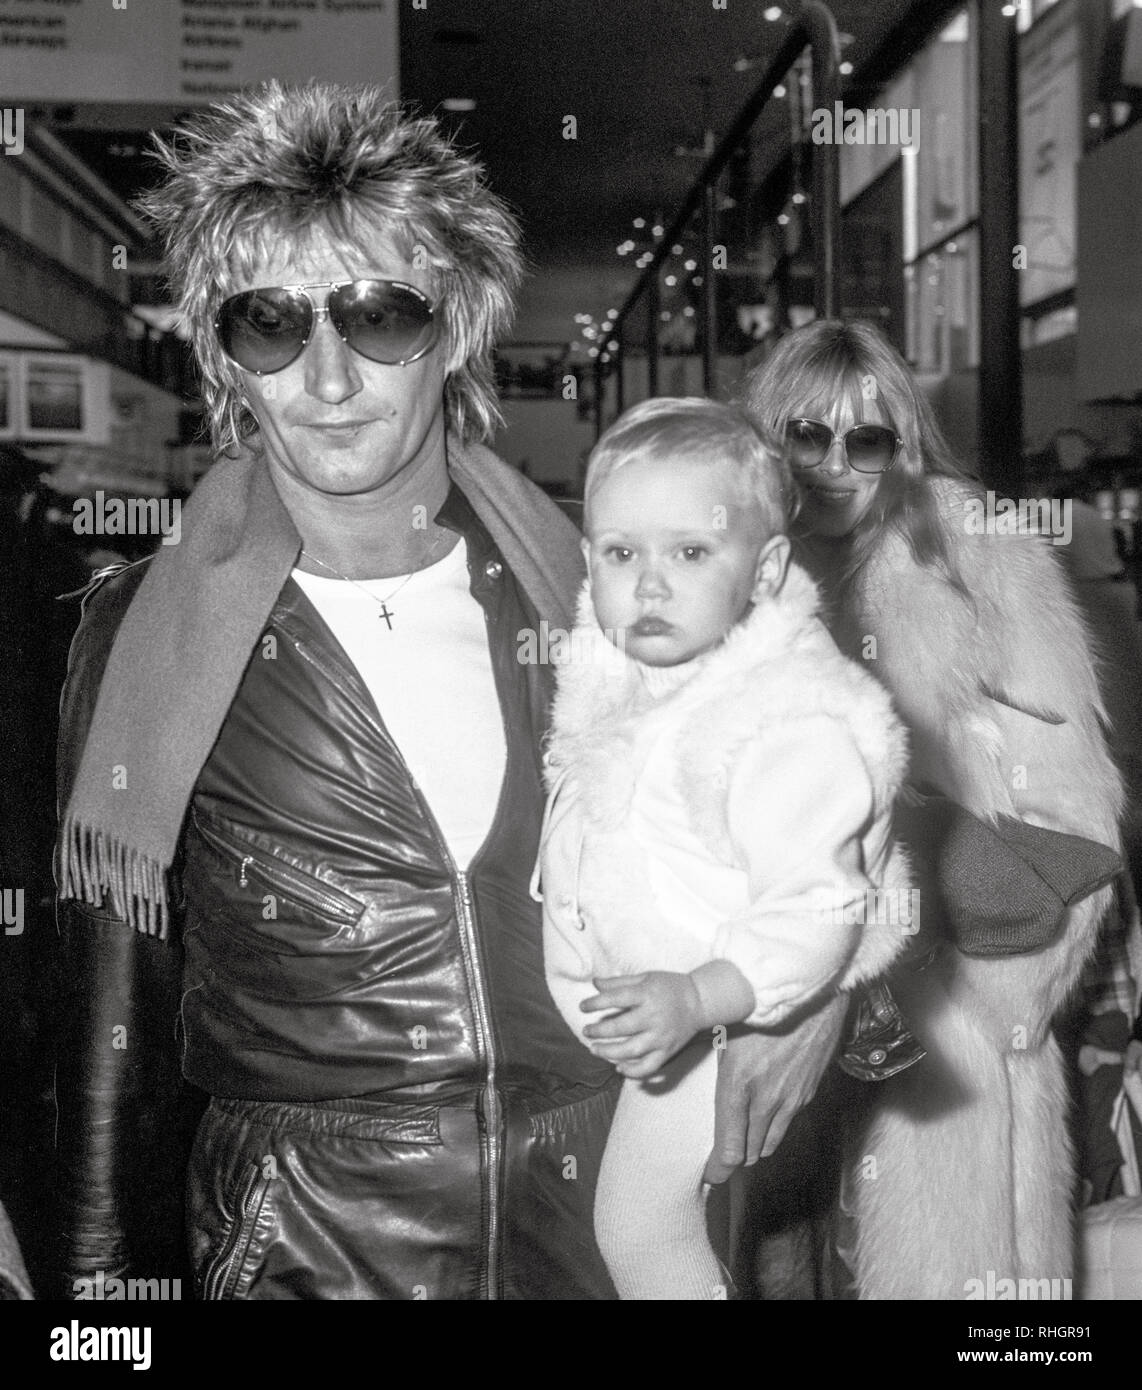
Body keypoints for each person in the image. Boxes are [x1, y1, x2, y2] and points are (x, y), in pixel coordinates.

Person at [51, 81, 847, 1301]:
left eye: (378, 315)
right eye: (270, 322)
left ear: (458, 327)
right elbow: (110, 1032)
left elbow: (818, 795)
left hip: (597, 1235)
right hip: (307, 1257)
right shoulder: (142, 637)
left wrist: (819, 1005)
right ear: (228, 357)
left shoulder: (594, 595)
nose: (326, 375)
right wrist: (98, 1314)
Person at [743, 320, 1126, 1299]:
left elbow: (1076, 839)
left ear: (902, 447)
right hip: (760, 1055)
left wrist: (920, 940)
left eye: (862, 439)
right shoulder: (723, 574)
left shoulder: (981, 568)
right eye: (805, 434)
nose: (833, 464)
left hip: (936, 1067)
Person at [536, 398, 913, 1299]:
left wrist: (703, 996)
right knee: (644, 1233)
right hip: (652, 1020)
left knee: (640, 1233)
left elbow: (820, 908)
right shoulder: (637, 672)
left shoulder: (780, 720)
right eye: (621, 553)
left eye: (692, 552)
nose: (651, 585)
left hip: (714, 1021)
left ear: (767, 566)